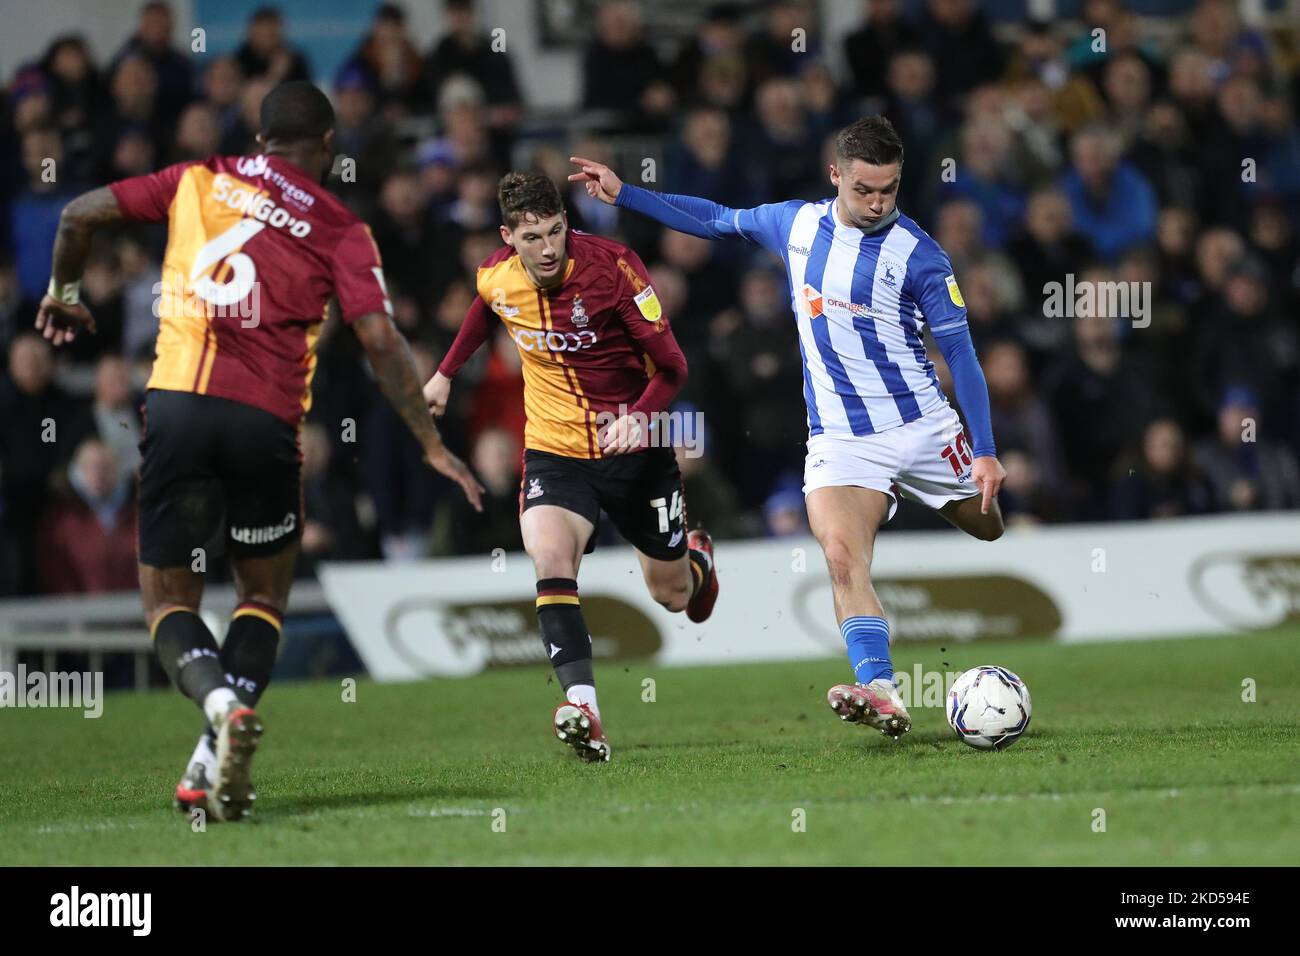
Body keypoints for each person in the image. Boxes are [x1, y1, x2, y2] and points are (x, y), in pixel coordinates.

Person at [34, 80, 482, 821]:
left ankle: (216, 708)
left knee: (167, 601)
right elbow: (379, 341)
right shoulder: (342, 226)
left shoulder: (194, 179)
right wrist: (430, 441)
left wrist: (64, 290)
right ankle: (214, 746)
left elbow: (78, 213)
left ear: (259, 135)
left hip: (176, 411)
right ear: (328, 146)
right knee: (263, 598)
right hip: (266, 426)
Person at [570, 114, 1006, 740]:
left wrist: (985, 452)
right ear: (836, 176)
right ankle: (881, 690)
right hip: (842, 440)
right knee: (840, 556)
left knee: (988, 527)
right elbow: (714, 218)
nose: (878, 203)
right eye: (864, 190)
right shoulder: (796, 224)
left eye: (889, 190)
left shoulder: (922, 257)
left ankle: (928, 495)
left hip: (923, 428)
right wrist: (626, 194)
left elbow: (961, 355)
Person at [424, 172, 718, 762]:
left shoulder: (615, 268)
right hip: (555, 451)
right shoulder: (495, 274)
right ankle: (584, 707)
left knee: (671, 594)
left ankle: (697, 564)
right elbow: (487, 308)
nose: (549, 248)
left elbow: (674, 368)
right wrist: (445, 373)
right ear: (509, 237)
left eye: (556, 231)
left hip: (635, 449)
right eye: (532, 238)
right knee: (551, 557)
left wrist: (639, 417)